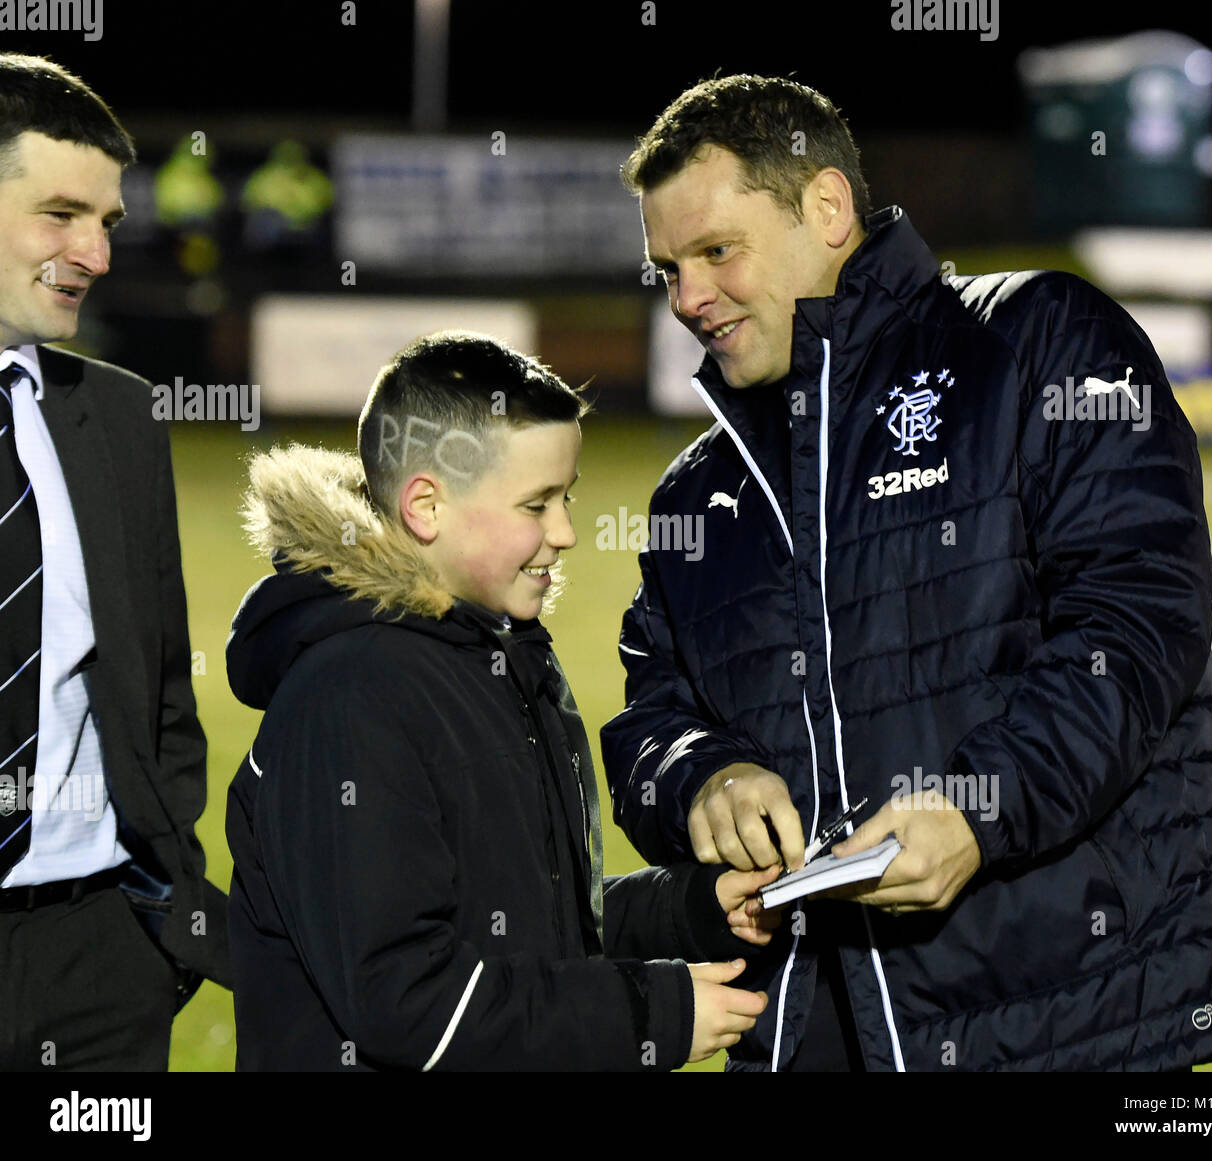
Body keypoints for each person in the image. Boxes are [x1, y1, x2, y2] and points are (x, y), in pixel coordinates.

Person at [600, 74, 1212, 1072]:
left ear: (828, 208)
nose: (687, 298)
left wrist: (979, 805)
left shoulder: (1037, 341)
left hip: (1077, 1021)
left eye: (716, 251)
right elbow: (649, 718)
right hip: (815, 1032)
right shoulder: (697, 492)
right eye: (665, 268)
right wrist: (699, 775)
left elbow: (1133, 625)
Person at [224, 331, 775, 1070]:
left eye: (567, 497)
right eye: (537, 503)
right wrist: (653, 1012)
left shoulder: (489, 653)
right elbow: (408, 1002)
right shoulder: (350, 694)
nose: (566, 532)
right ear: (426, 505)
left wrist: (691, 908)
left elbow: (525, 922)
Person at [0, 54, 229, 1071]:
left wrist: (161, 926)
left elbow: (161, 700)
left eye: (108, 223)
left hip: (99, 959)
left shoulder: (124, 418)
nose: (93, 253)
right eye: (61, 215)